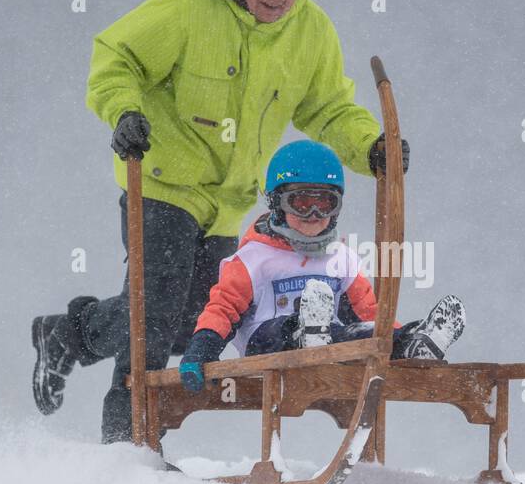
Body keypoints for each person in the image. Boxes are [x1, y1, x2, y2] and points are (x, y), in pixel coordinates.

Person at [30, 0, 410, 446]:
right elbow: (117, 56)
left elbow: (326, 107)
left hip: (228, 201)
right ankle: (127, 437)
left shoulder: (312, 32)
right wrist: (125, 111)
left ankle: (69, 335)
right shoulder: (189, 3)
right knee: (154, 309)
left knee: (202, 322)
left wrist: (372, 148)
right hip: (163, 179)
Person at [177, 140, 466, 392]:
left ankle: (414, 343)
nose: (314, 214)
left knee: (361, 335)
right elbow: (223, 309)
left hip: (332, 343)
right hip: (266, 345)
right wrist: (202, 348)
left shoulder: (341, 259)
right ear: (277, 203)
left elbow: (370, 313)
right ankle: (304, 333)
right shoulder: (253, 259)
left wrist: (389, 334)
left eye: (325, 204)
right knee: (284, 330)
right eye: (301, 203)